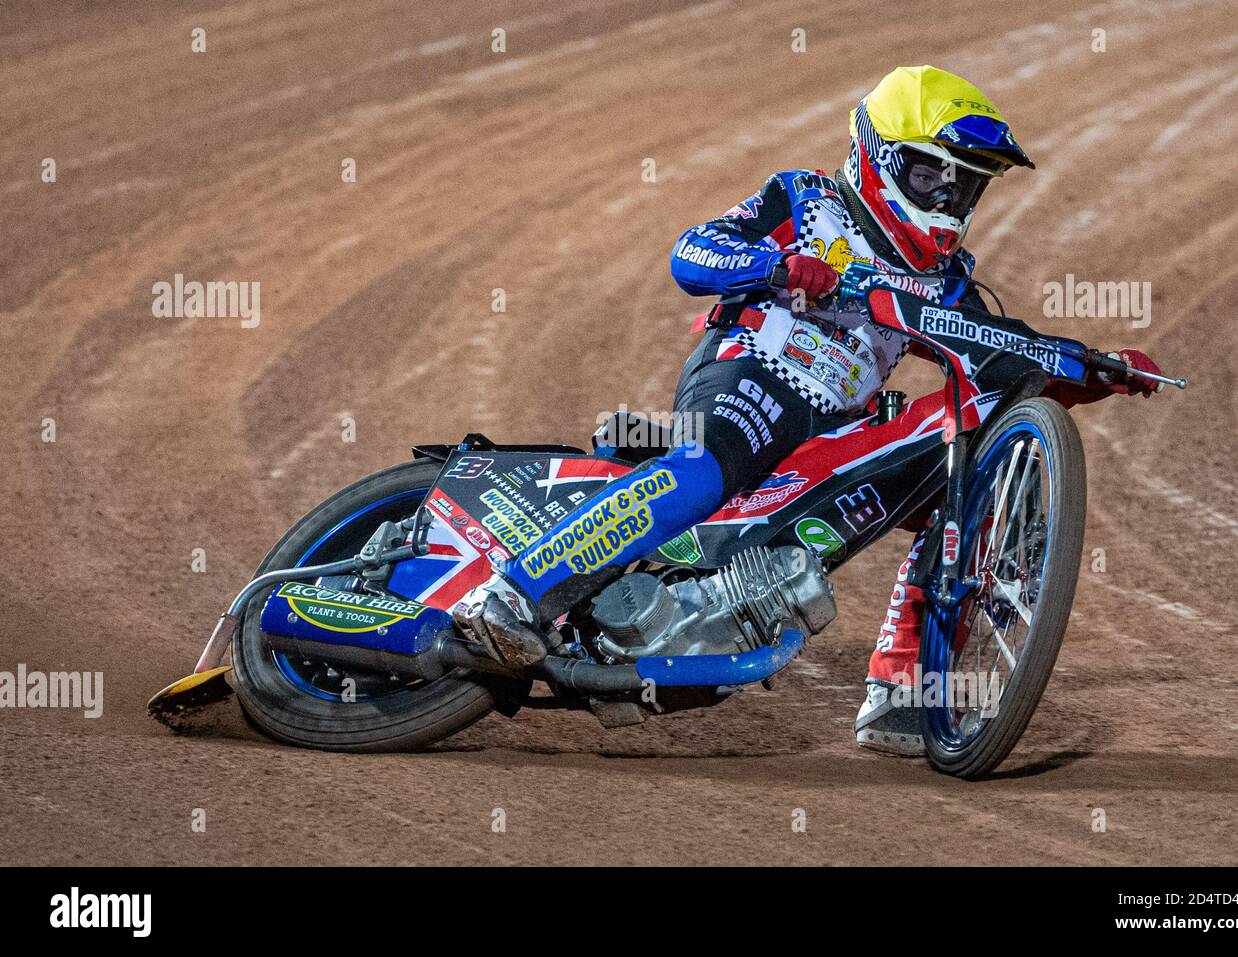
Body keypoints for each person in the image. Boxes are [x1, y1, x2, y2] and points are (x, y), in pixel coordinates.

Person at [455, 65, 1163, 754]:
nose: (946, 202)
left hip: (827, 428)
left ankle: (902, 687)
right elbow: (692, 252)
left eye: (964, 186)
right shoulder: (807, 200)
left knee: (961, 456)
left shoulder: (944, 282)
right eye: (928, 178)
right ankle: (513, 597)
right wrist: (776, 268)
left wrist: (1096, 368)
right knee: (703, 472)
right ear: (877, 158)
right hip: (746, 377)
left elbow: (1000, 358)